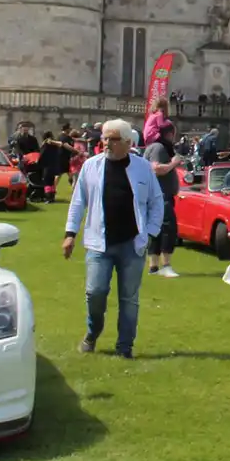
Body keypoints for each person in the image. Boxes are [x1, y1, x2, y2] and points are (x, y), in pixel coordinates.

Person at [63, 119, 165, 358]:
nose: (106, 143)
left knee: (129, 299)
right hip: (99, 244)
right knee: (95, 292)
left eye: (113, 139)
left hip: (132, 244)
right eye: (105, 138)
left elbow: (156, 202)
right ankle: (93, 331)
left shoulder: (142, 168)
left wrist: (150, 232)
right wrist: (70, 234)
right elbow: (78, 202)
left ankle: (124, 346)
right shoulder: (91, 166)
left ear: (128, 143)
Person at [143, 118, 183, 278]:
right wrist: (174, 163)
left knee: (157, 230)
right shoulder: (159, 148)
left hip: (161, 194)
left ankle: (154, 266)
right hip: (160, 195)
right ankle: (165, 264)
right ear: (169, 134)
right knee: (168, 228)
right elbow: (156, 169)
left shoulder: (157, 146)